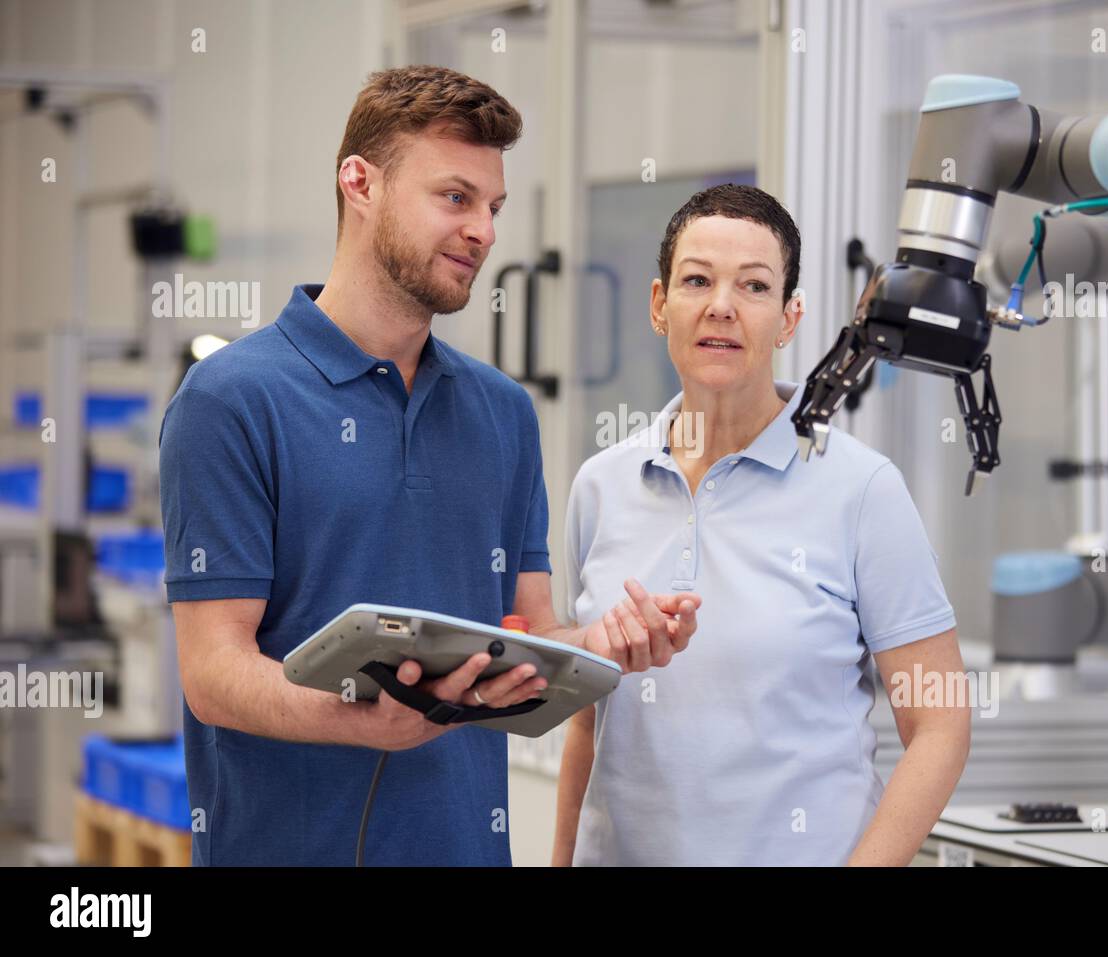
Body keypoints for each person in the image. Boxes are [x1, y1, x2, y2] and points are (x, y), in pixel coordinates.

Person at [159, 66, 700, 866]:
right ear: (360, 183)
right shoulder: (231, 400)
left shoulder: (501, 412)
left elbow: (530, 627)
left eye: (494, 207)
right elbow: (213, 671)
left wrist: (600, 645)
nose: (483, 229)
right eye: (455, 197)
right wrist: (362, 720)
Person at [552, 184, 969, 866]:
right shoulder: (600, 485)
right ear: (660, 305)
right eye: (697, 280)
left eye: (753, 285)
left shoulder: (862, 489)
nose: (721, 305)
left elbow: (941, 720)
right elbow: (587, 728)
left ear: (789, 316)